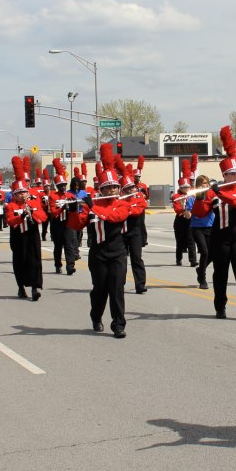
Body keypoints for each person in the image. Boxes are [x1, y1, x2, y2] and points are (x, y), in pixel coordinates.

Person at [195, 126, 236, 321]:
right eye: (231, 173)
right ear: (224, 175)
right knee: (221, 274)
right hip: (219, 238)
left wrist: (219, 193)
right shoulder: (213, 191)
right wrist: (200, 198)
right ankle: (220, 307)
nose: (235, 176)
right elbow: (199, 213)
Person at [75, 144, 130, 337]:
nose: (111, 190)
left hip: (118, 252)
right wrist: (75, 210)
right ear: (101, 189)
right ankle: (96, 317)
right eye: (107, 188)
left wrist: (93, 208)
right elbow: (77, 225)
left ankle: (118, 324)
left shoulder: (122, 204)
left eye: (114, 187)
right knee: (100, 289)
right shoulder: (93, 204)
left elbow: (114, 217)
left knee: (117, 289)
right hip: (98, 253)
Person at [5, 156, 48, 301]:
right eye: (19, 193)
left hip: (32, 236)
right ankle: (21, 287)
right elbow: (10, 221)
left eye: (24, 192)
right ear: (15, 195)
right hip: (18, 237)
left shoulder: (34, 203)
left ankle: (35, 288)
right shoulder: (11, 206)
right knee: (20, 261)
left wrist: (33, 213)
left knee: (34, 261)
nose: (22, 195)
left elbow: (43, 217)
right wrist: (22, 216)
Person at [118, 159, 148, 294]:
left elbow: (139, 210)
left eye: (132, 187)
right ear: (123, 190)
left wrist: (127, 208)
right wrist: (127, 207)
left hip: (135, 232)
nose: (132, 190)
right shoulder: (118, 199)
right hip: (121, 233)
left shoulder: (139, 197)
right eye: (129, 188)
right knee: (121, 261)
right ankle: (120, 284)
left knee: (137, 258)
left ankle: (140, 285)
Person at [188, 175, 215, 289]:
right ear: (198, 185)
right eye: (204, 183)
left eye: (207, 183)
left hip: (210, 226)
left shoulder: (211, 194)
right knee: (204, 251)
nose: (206, 185)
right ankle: (202, 278)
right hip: (197, 227)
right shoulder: (193, 197)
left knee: (212, 253)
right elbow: (189, 214)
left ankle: (200, 269)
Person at [171, 161, 197, 267]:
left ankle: (193, 260)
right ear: (180, 187)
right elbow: (177, 209)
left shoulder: (192, 194)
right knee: (180, 241)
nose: (186, 189)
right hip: (180, 220)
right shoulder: (176, 196)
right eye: (184, 187)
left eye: (187, 187)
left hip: (191, 220)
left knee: (191, 241)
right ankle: (178, 259)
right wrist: (183, 208)